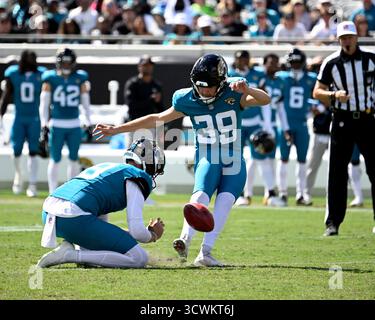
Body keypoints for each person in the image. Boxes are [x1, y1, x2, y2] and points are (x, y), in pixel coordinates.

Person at [94, 53, 271, 266]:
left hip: (233, 156)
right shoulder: (186, 98)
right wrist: (117, 129)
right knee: (199, 196)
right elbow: (157, 118)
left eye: (209, 86)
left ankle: (205, 253)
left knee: (224, 202)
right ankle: (185, 240)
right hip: (208, 155)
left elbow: (265, 100)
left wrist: (248, 90)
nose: (204, 90)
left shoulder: (234, 90)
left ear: (222, 82)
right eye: (200, 86)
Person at [36, 138, 165, 269]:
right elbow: (137, 232)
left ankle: (80, 253)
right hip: (73, 215)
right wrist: (153, 235)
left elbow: (102, 228)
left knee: (99, 251)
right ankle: (70, 255)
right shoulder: (135, 177)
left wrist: (144, 231)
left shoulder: (108, 168)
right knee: (139, 258)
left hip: (49, 213)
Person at [313, 21, 375, 236]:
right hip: (342, 120)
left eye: (350, 37)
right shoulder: (331, 63)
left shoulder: (371, 59)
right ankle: (333, 223)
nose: (347, 41)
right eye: (343, 37)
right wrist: (333, 95)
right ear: (338, 39)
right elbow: (317, 91)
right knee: (337, 172)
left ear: (357, 37)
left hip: (368, 119)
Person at [39, 48, 92, 193]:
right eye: (64, 63)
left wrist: (88, 121)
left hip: (74, 124)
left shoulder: (80, 78)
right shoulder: (50, 78)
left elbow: (85, 103)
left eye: (69, 63)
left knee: (74, 159)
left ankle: (71, 192)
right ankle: (52, 192)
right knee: (55, 159)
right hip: (56, 123)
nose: (66, 66)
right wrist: (44, 124)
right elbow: (43, 104)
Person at [0, 50, 46, 197]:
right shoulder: (14, 74)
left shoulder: (41, 74)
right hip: (19, 117)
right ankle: (18, 177)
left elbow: (47, 98)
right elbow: (6, 95)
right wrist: (1, 114)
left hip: (34, 118)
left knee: (33, 152)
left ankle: (32, 184)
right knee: (16, 150)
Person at [277, 48, 317, 206]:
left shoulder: (311, 78)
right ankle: (283, 193)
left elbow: (319, 96)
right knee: (283, 159)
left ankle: (301, 194)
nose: (295, 65)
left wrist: (315, 109)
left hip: (302, 123)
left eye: (297, 62)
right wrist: (285, 127)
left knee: (302, 160)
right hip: (287, 122)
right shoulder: (282, 78)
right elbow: (279, 103)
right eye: (292, 62)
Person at [123, 55, 164, 148]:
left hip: (151, 125)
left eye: (150, 65)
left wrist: (162, 127)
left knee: (151, 155)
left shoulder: (156, 85)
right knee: (131, 154)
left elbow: (160, 108)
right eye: (145, 65)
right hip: (134, 124)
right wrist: (150, 100)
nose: (148, 67)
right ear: (139, 67)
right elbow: (131, 105)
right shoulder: (132, 84)